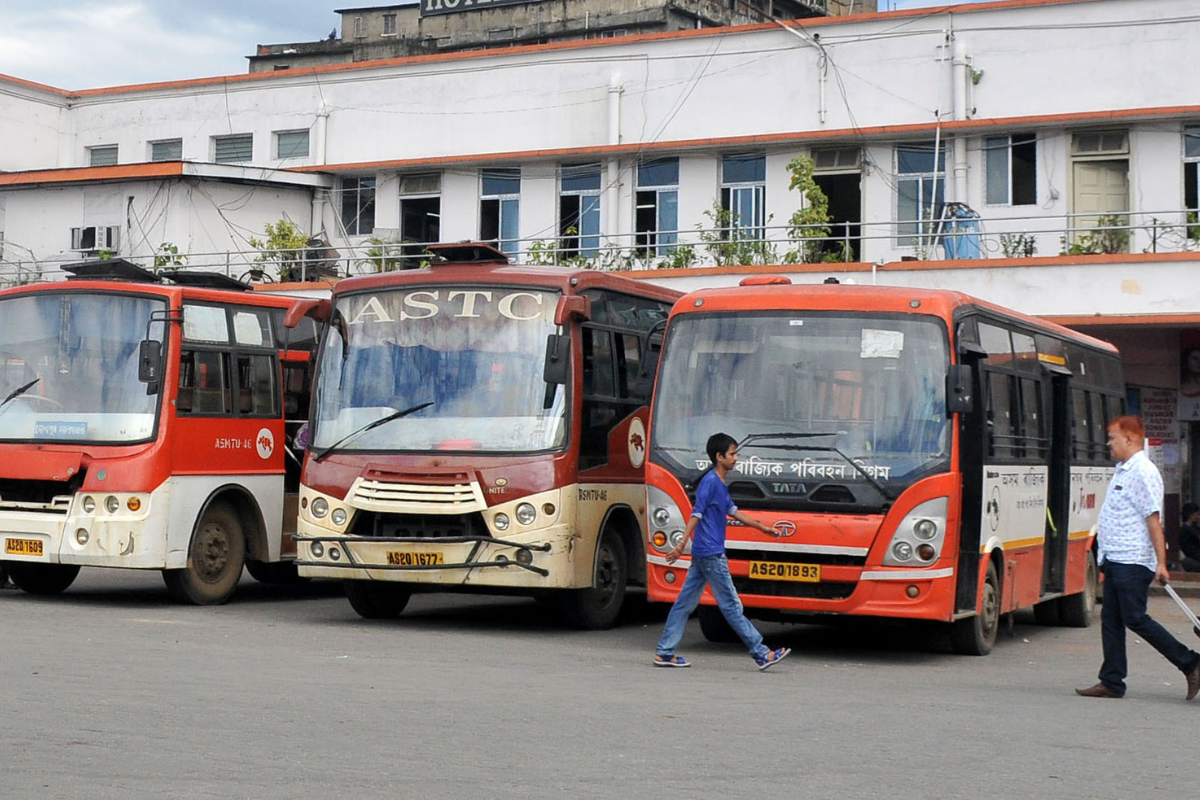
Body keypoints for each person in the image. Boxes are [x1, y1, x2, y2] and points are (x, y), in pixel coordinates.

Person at [1076, 415, 1200, 700]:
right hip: (1117, 558)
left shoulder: (1143, 472)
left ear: (1129, 439)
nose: (1109, 444)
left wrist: (1160, 562)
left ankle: (1190, 662)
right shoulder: (1123, 470)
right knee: (1111, 620)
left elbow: (1153, 520)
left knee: (1135, 617)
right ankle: (1111, 681)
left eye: (1112, 438)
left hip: (1132, 560)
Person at [653, 432, 791, 671]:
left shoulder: (719, 483)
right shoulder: (710, 482)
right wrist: (679, 545)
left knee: (684, 604)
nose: (736, 458)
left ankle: (665, 652)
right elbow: (695, 514)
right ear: (719, 457)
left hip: (703, 555)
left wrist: (763, 528)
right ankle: (761, 653)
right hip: (711, 555)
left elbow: (734, 512)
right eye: (732, 454)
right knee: (731, 606)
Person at [1180, 502, 1200, 573]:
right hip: (1193, 559)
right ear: (1190, 515)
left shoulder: (1195, 528)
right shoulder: (1185, 530)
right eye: (1197, 514)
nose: (1198, 517)